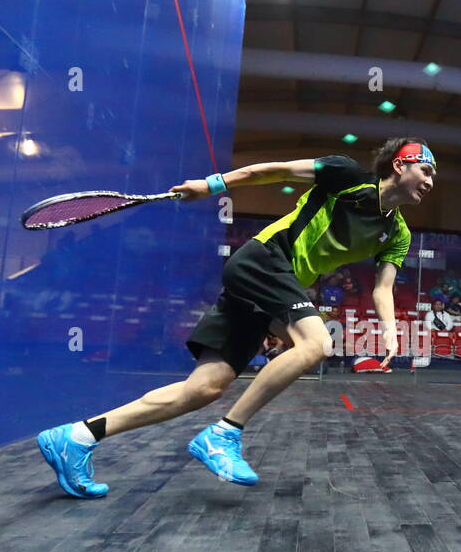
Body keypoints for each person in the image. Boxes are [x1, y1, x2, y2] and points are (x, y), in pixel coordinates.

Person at [36, 137, 434, 494]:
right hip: (264, 260)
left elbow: (382, 288)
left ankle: (77, 437)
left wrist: (391, 333)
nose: (431, 181)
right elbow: (269, 171)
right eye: (426, 169)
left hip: (269, 290)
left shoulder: (398, 233)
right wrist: (209, 186)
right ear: (400, 165)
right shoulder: (346, 176)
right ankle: (224, 434)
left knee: (202, 390)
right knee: (317, 343)